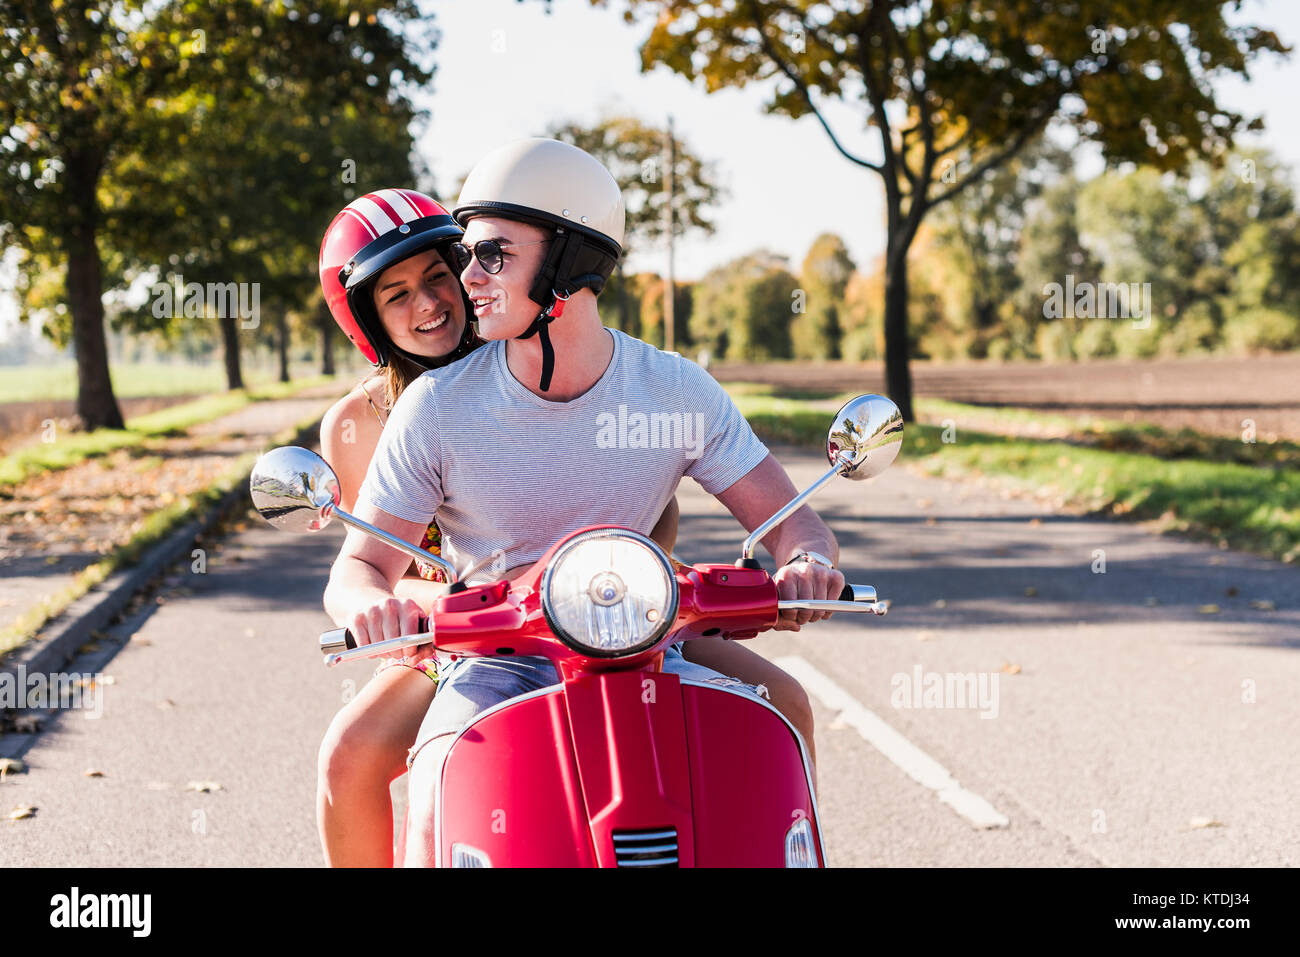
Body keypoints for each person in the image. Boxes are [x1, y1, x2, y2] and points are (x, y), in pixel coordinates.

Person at [323, 139, 846, 866]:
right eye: (468, 254)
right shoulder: (437, 408)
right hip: (495, 653)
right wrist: (369, 606)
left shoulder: (676, 390)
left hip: (649, 635)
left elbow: (797, 524)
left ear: (568, 261)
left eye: (492, 255)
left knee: (779, 715)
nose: (466, 278)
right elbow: (358, 569)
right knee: (439, 775)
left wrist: (808, 561)